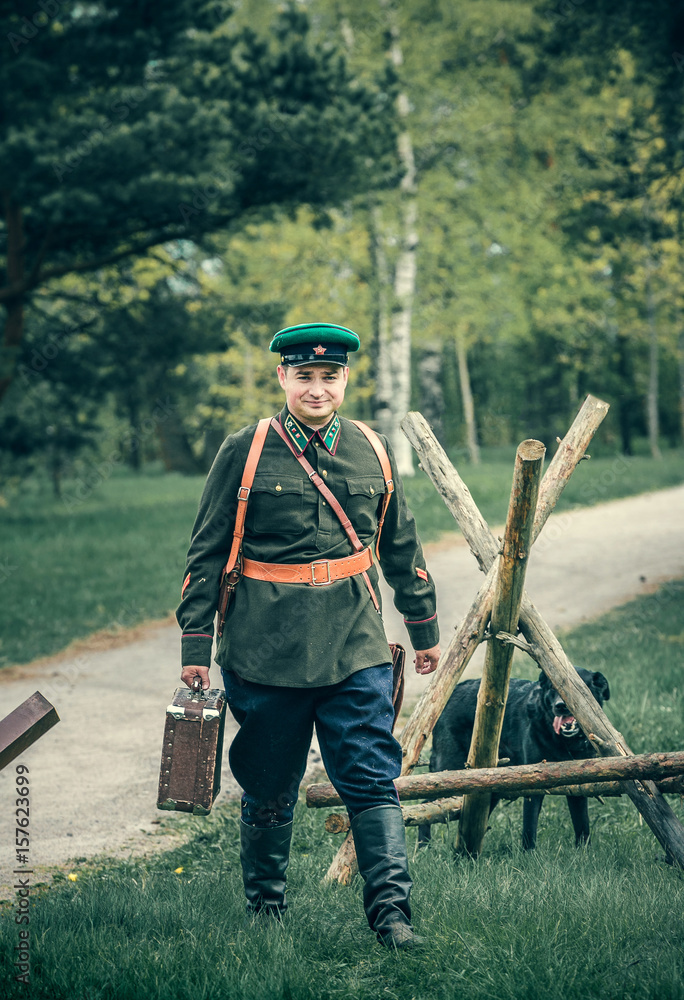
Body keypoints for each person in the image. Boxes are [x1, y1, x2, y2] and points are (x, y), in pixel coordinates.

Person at [177, 322, 440, 949]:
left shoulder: (372, 450)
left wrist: (423, 627)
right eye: (305, 377)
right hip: (264, 646)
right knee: (269, 779)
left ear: (345, 379)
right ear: (283, 379)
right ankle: (266, 911)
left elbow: (401, 545)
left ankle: (392, 917)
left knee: (371, 773)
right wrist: (194, 648)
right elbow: (206, 552)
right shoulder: (243, 450)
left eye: (329, 377)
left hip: (356, 641)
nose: (317, 388)